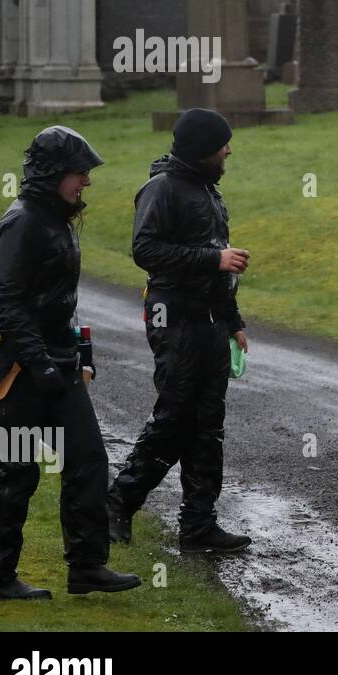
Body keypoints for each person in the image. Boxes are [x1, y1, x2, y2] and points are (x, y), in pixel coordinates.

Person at [0, 126, 140, 599]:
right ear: (52, 174)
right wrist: (40, 364)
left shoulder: (56, 217)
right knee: (16, 471)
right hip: (18, 368)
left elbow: (54, 300)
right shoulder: (23, 222)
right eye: (79, 173)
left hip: (56, 362)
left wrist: (72, 353)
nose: (85, 182)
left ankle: (87, 567)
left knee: (89, 459)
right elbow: (6, 305)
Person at [107, 109, 252, 554]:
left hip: (209, 320)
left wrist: (233, 322)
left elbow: (220, 261)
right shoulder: (162, 189)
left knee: (208, 422)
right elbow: (145, 249)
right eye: (223, 143)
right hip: (175, 319)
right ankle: (116, 502)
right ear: (204, 148)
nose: (229, 150)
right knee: (175, 416)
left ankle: (198, 524)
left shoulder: (207, 191)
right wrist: (214, 261)